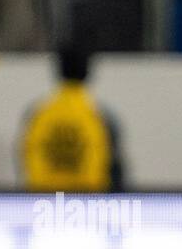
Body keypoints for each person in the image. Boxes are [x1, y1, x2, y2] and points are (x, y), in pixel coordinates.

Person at [18, 46, 125, 193]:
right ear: (88, 72)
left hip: (43, 203)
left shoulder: (38, 115)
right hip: (88, 203)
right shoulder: (100, 117)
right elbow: (115, 170)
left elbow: (24, 158)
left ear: (58, 72)